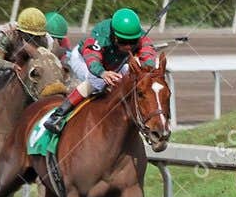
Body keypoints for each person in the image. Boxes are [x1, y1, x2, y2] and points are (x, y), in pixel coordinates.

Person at [43, 7, 157, 135]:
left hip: (113, 63)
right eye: (124, 42)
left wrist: (148, 69)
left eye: (133, 42)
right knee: (96, 83)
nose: (128, 46)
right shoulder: (101, 34)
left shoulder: (139, 36)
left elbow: (148, 54)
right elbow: (93, 58)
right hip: (83, 59)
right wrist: (103, 73)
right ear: (113, 35)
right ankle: (58, 115)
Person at [0, 7, 51, 88]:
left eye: (37, 37)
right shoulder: (9, 35)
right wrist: (11, 65)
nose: (33, 40)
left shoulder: (46, 41)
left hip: (18, 56)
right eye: (28, 36)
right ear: (19, 32)